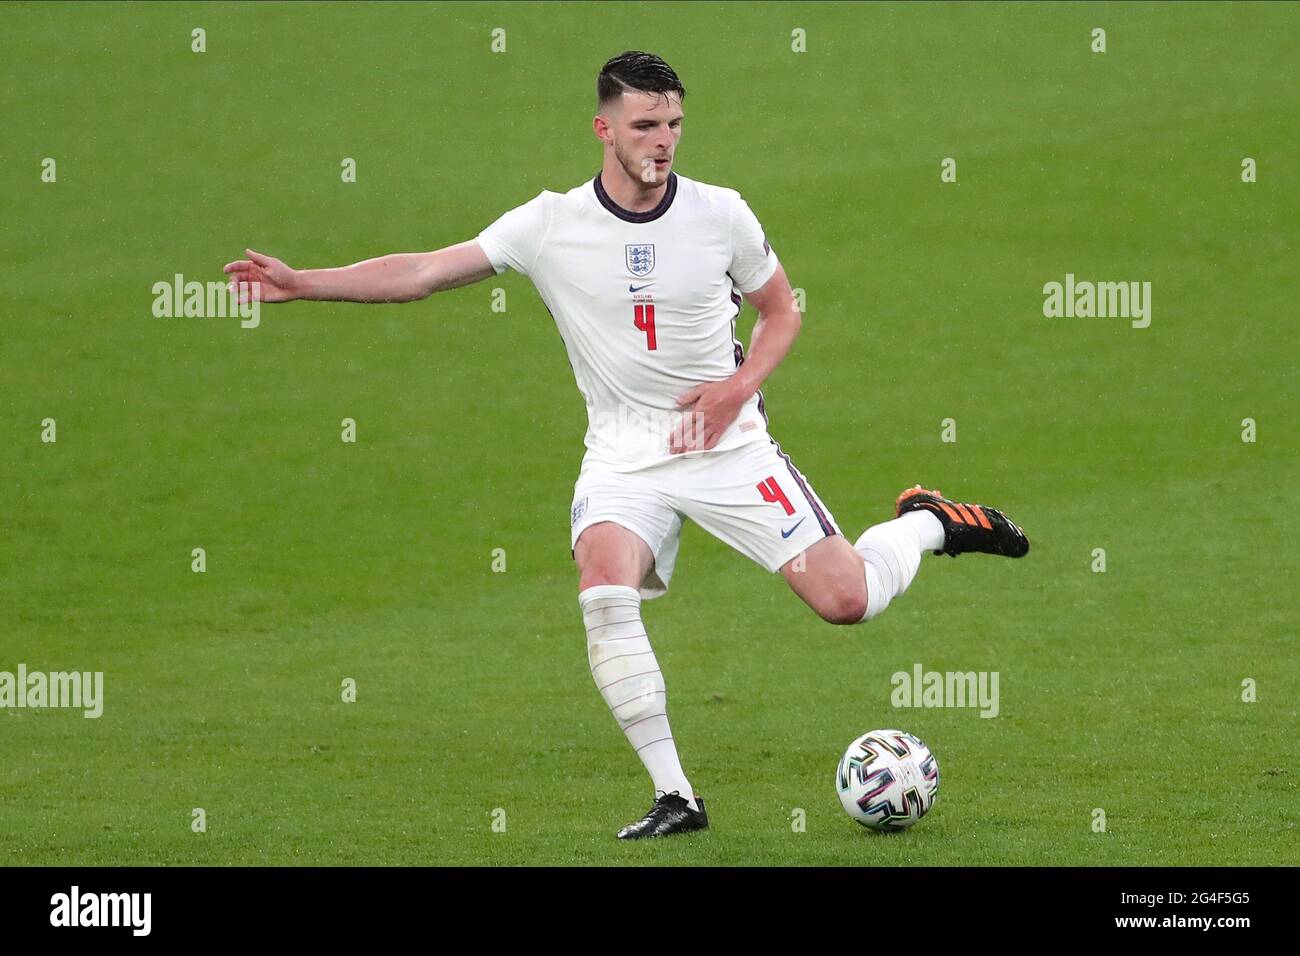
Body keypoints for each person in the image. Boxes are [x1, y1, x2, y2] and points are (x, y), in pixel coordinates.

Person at [223, 50, 1029, 841]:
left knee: (845, 600)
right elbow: (428, 270)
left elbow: (782, 311)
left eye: (674, 123)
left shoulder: (721, 213)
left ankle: (928, 522)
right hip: (621, 453)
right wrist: (304, 283)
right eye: (646, 124)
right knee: (603, 582)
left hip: (728, 445)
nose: (664, 140)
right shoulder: (550, 223)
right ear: (604, 129)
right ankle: (676, 795)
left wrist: (737, 389)